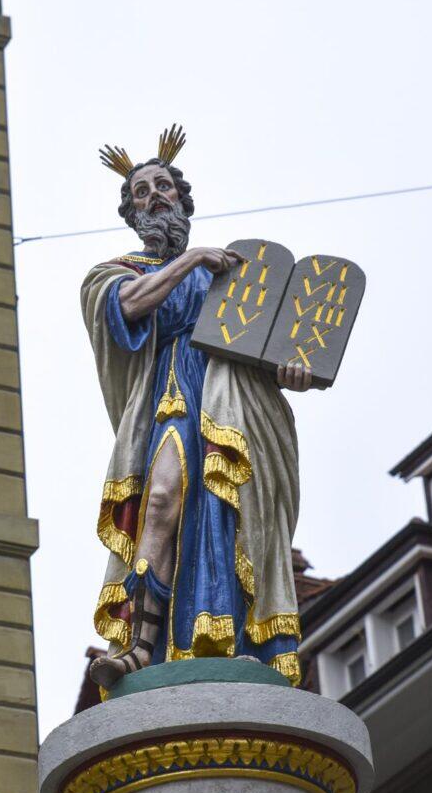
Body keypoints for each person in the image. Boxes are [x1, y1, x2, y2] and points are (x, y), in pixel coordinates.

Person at [81, 127, 316, 689]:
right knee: (160, 500)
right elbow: (130, 306)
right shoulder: (114, 273)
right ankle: (142, 645)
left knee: (232, 513)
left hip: (232, 400)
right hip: (167, 396)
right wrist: (190, 264)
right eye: (142, 192)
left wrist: (292, 369)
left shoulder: (233, 280)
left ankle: (237, 639)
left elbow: (267, 348)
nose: (155, 196)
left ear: (184, 201)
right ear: (131, 213)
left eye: (164, 186)